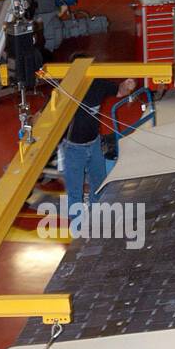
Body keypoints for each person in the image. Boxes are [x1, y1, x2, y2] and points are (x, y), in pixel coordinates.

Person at [59, 60, 136, 231]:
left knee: (100, 184)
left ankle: (98, 221)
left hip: (94, 144)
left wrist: (127, 85)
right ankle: (78, 231)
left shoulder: (98, 83)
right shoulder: (64, 89)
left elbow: (119, 91)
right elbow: (45, 115)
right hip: (73, 149)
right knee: (74, 192)